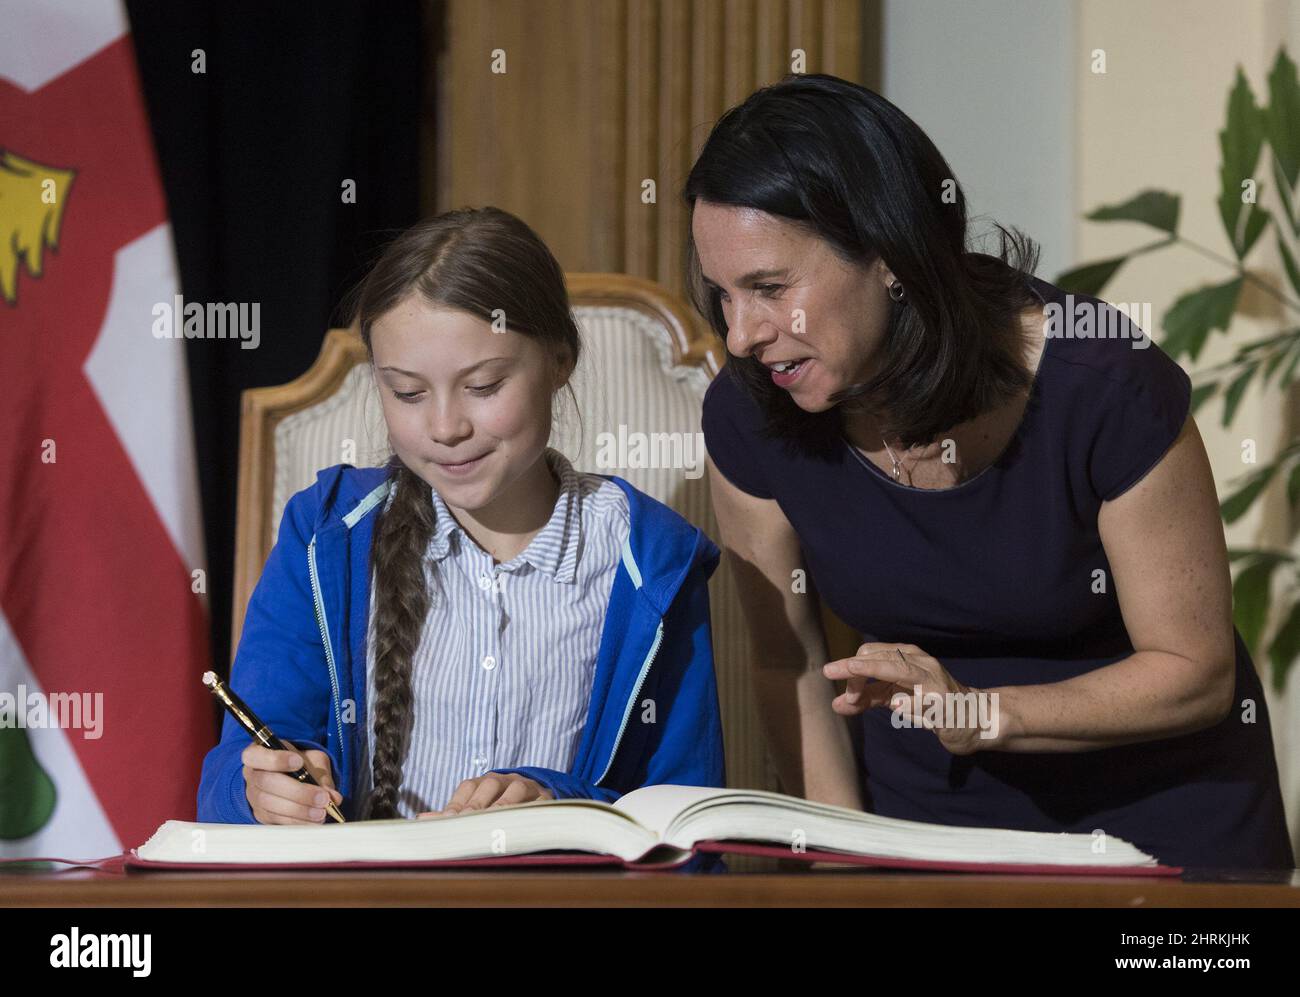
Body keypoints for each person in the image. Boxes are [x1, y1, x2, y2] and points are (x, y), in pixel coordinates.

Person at [691, 73, 1293, 869]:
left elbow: (1196, 671)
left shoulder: (1102, 384)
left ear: (890, 256)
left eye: (768, 288)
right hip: (925, 833)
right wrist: (842, 862)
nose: (739, 336)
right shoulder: (751, 412)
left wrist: (979, 712)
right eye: (721, 295)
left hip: (1167, 832)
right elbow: (789, 662)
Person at [197, 206, 724, 826]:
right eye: (408, 393)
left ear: (560, 362)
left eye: (483, 386)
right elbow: (236, 773)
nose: (446, 427)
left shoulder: (652, 561)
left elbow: (687, 821)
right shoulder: (325, 536)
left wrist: (558, 804)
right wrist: (259, 795)